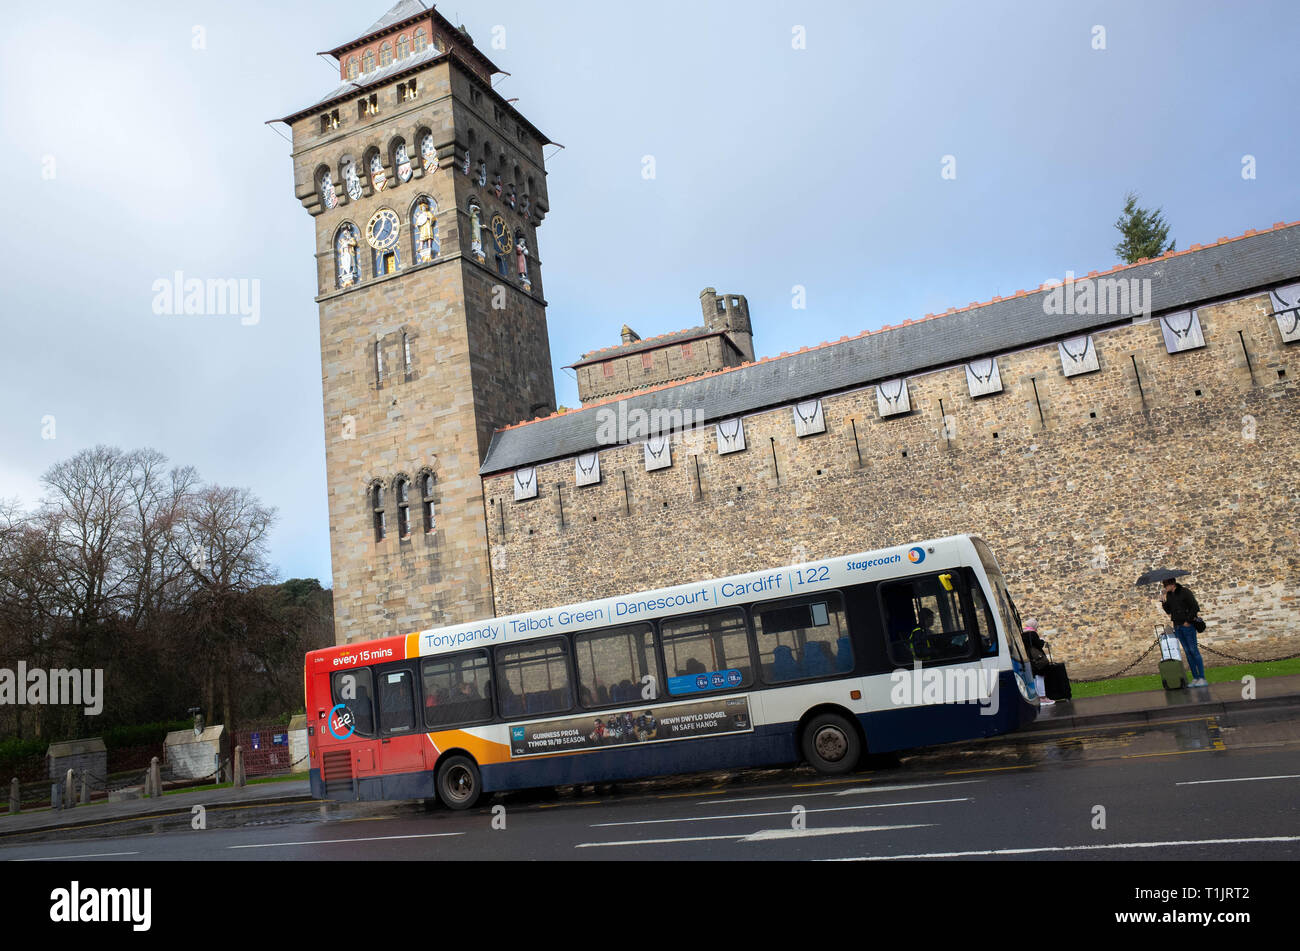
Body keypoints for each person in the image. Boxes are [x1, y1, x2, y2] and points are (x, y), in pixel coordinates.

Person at [1161, 578, 1207, 686]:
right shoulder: (1170, 595)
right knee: (1187, 652)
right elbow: (1169, 611)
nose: (1164, 588)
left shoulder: (1184, 592)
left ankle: (1202, 678)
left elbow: (1195, 607)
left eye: (1166, 585)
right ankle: (1195, 678)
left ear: (1172, 584)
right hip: (1177, 626)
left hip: (1187, 626)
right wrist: (1163, 601)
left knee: (1193, 651)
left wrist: (1188, 621)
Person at [1022, 619, 1055, 705]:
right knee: (1040, 677)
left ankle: (1038, 698)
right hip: (1037, 659)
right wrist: (1041, 640)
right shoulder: (1032, 633)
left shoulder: (1023, 634)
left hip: (1029, 659)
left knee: (1035, 678)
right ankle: (1043, 698)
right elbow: (1039, 645)